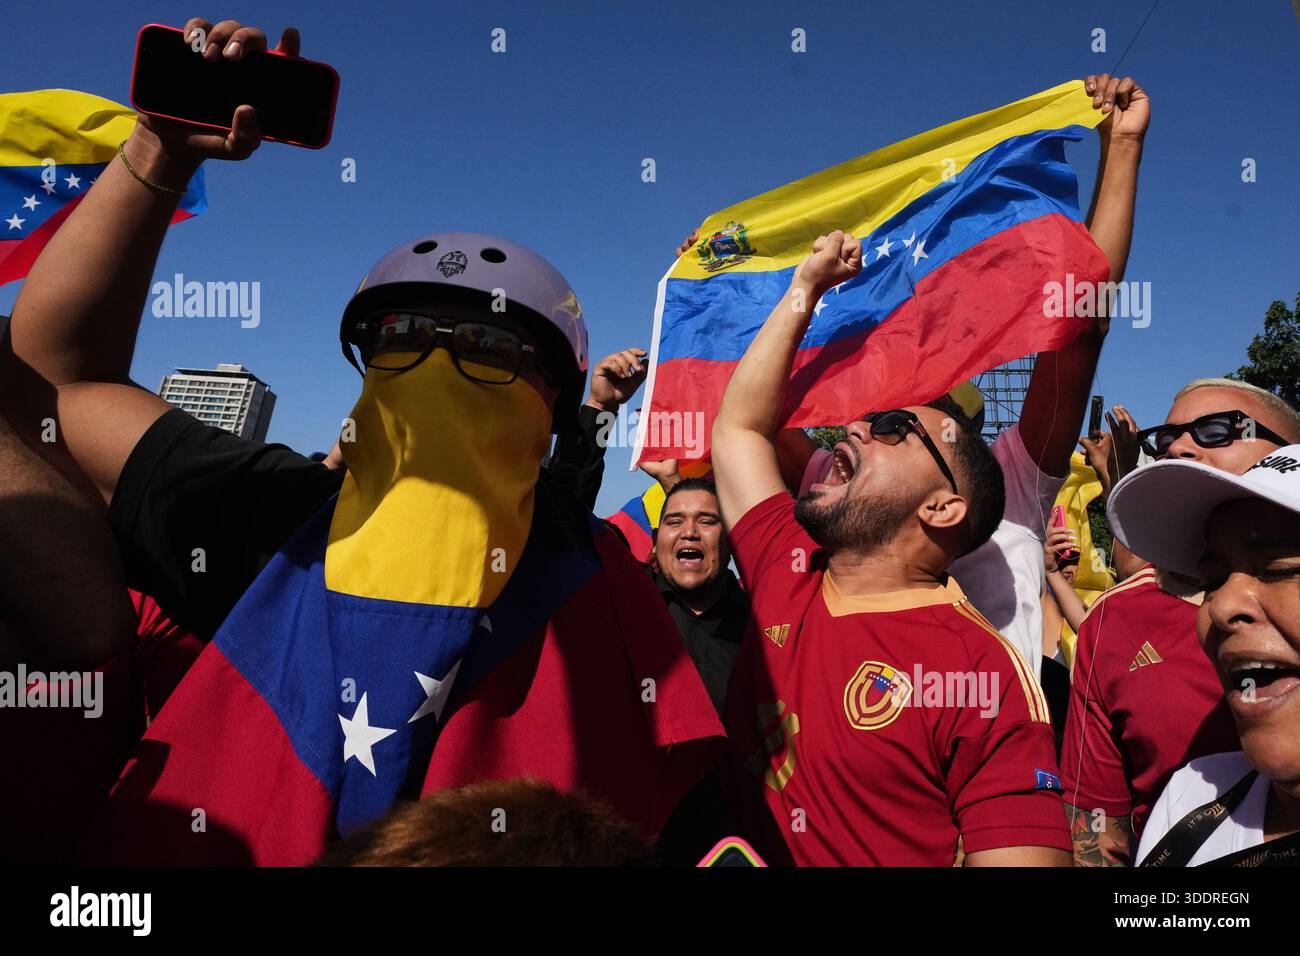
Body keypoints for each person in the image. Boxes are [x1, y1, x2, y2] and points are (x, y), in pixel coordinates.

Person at [0, 15, 722, 865]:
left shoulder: (604, 581)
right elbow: (57, 383)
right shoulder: (271, 518)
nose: (439, 361)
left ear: (554, 401)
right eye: (402, 335)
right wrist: (159, 155)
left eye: (489, 347)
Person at [706, 72, 1148, 683]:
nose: (858, 431)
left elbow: (1082, 322)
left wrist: (1121, 148)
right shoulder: (848, 488)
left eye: (894, 423)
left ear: (959, 456)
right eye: (870, 415)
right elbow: (751, 416)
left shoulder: (1011, 489)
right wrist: (731, 285)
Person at [711, 229, 1070, 866]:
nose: (855, 426)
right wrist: (805, 287)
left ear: (942, 508)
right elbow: (741, 426)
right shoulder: (784, 562)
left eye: (894, 428)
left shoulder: (981, 674)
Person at [1060, 380, 1300, 865]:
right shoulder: (1188, 799)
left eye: (1217, 430)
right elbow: (1097, 828)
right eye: (1214, 577)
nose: (1227, 603)